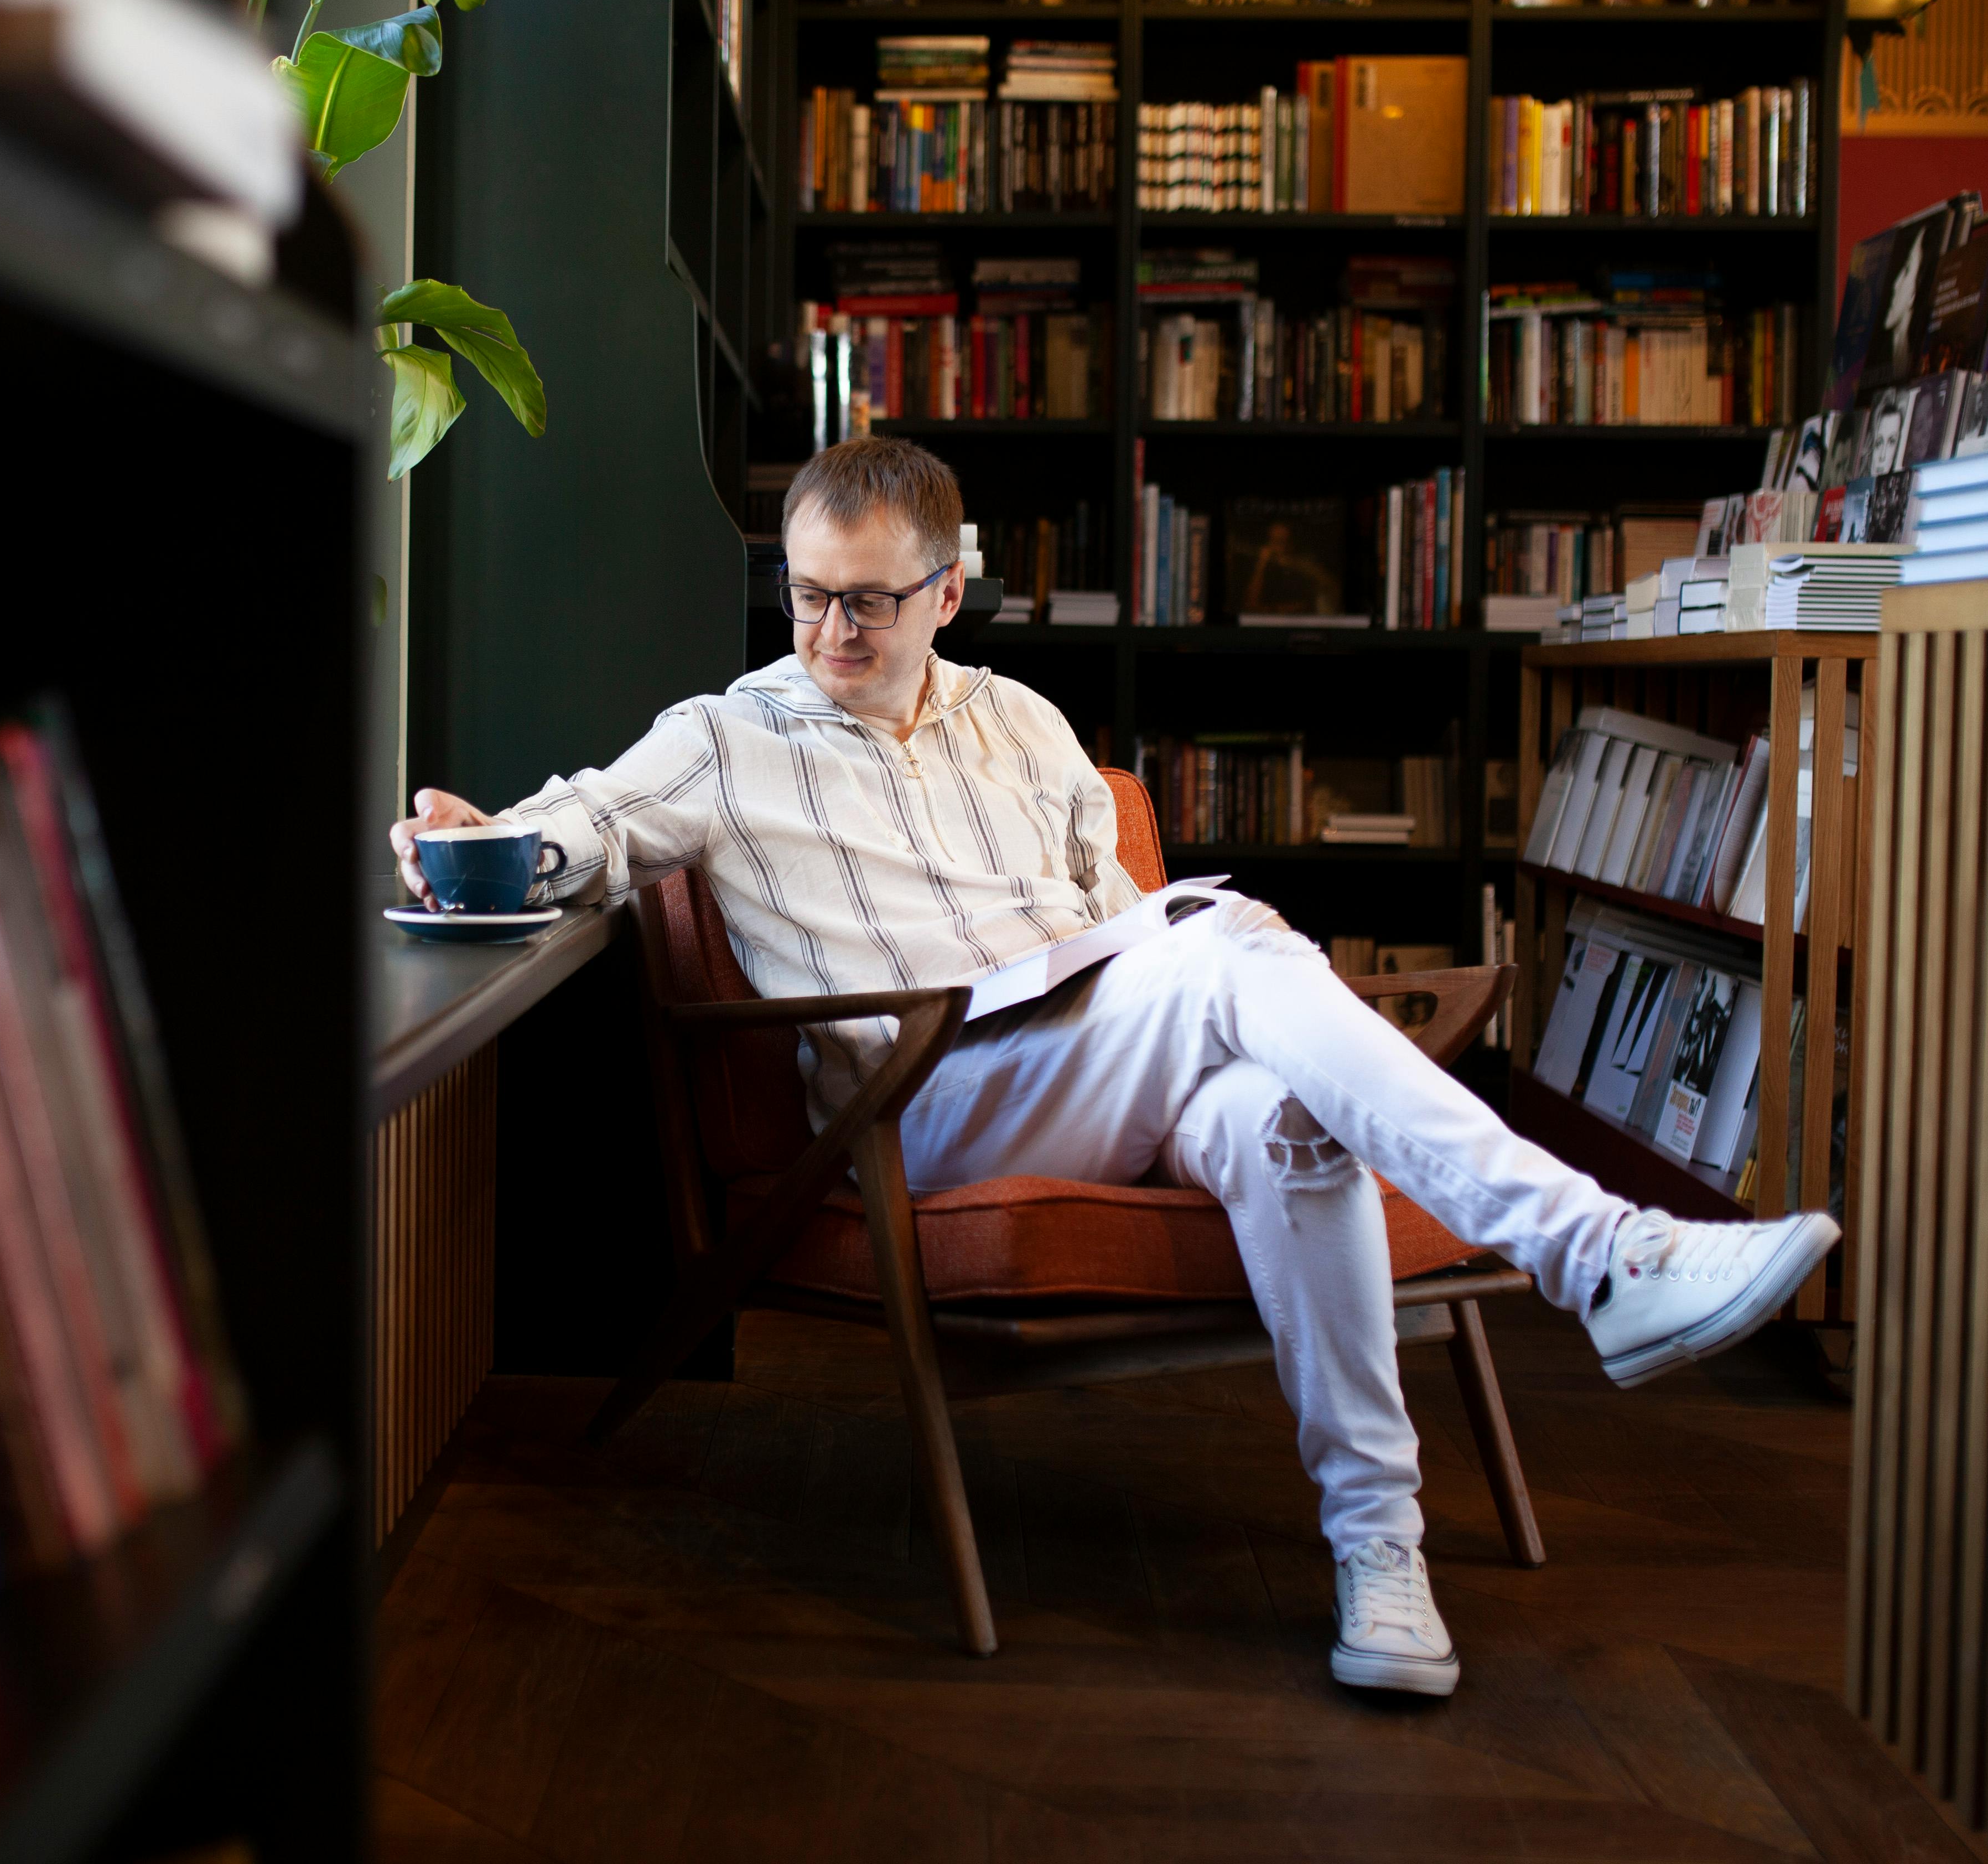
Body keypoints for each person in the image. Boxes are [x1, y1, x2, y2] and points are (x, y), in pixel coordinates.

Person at [388, 438, 1839, 1699]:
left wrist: (1158, 980)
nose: (834, 629)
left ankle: (1379, 1556)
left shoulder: (1024, 725)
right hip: (921, 1101)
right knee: (1218, 934)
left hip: (1086, 1062)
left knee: (1284, 1118)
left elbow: (1104, 924)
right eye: (811, 592)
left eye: (873, 601)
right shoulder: (720, 740)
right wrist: (466, 841)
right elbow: (574, 832)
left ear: (949, 592)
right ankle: (1602, 1256)